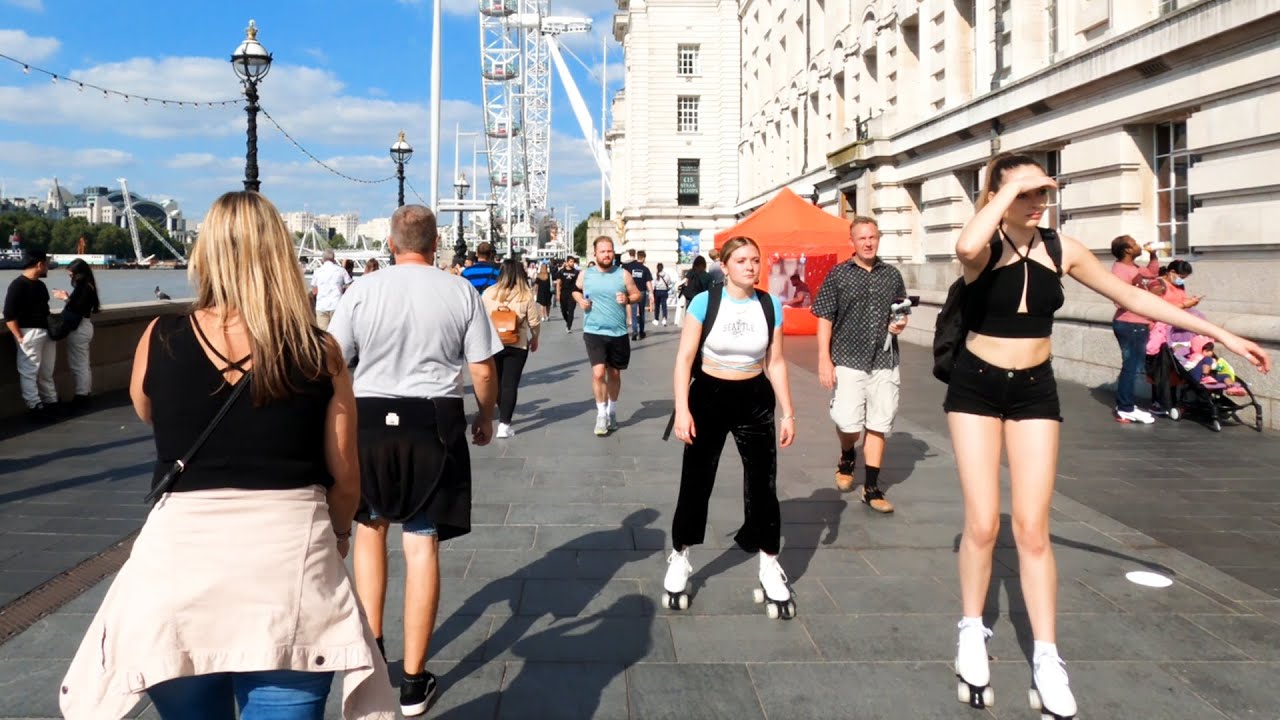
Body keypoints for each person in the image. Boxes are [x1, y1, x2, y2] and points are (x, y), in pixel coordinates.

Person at [945, 153, 1270, 720]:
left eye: (1045, 188)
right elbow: (967, 249)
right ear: (1000, 193)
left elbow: (1137, 299)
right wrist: (1006, 190)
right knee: (982, 522)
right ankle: (972, 629)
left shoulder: (1061, 248)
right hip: (975, 385)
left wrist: (1223, 333)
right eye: (1027, 191)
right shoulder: (987, 244)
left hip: (1034, 389)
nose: (1040, 199)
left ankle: (1047, 655)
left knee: (1032, 528)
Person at [59, 191, 395, 719]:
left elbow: (151, 413)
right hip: (288, 566)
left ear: (206, 253)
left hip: (180, 570)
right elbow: (345, 476)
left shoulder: (161, 335)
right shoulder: (317, 348)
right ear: (280, 253)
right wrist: (339, 534)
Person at [328, 204, 500, 716]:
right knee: (422, 542)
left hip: (370, 417)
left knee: (370, 530)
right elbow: (484, 369)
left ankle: (372, 654)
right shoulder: (459, 290)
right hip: (435, 419)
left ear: (390, 244)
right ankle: (413, 681)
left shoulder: (362, 290)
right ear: (436, 243)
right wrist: (485, 415)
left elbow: (334, 359)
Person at [665, 236, 796, 618]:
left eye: (755, 260)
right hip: (708, 394)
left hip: (754, 398)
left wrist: (788, 412)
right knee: (697, 479)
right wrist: (682, 409)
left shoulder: (770, 305)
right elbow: (684, 358)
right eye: (741, 260)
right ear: (725, 265)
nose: (750, 267)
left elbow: (777, 363)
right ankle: (680, 555)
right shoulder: (707, 301)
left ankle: (769, 563)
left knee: (763, 483)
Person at [812, 216, 908, 515]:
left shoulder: (891, 274)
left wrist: (899, 324)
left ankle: (872, 487)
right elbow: (825, 316)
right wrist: (823, 359)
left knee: (879, 423)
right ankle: (847, 455)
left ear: (878, 239)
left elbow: (900, 309)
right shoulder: (839, 274)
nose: (868, 242)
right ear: (851, 242)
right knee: (848, 422)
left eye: (873, 237)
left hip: (884, 360)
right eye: (862, 238)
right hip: (848, 359)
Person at [573, 237, 641, 436]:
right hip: (594, 330)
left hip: (618, 332)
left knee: (615, 374)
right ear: (595, 254)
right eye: (602, 251)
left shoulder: (623, 274)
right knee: (598, 373)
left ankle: (612, 411)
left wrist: (627, 298)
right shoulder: (586, 274)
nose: (607, 255)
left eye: (609, 251)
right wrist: (579, 300)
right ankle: (601, 414)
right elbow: (575, 291)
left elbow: (637, 294)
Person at [482, 260, 541, 438]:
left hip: (493, 343)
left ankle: (503, 414)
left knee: (497, 382)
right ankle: (504, 424)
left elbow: (480, 317)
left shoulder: (489, 293)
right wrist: (535, 337)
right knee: (510, 384)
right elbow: (534, 321)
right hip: (517, 343)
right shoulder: (525, 294)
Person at [1109, 234, 1161, 423]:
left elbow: (1152, 273)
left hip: (1139, 324)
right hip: (1130, 324)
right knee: (1130, 367)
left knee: (1133, 366)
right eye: (1134, 244)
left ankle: (1126, 405)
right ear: (1127, 250)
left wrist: (1153, 255)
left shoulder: (1133, 268)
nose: (1139, 245)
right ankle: (1125, 408)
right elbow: (1118, 299)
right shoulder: (1120, 271)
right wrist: (1146, 294)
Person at [4, 249, 56, 421]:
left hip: (44, 333)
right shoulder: (17, 285)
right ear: (39, 264)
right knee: (29, 372)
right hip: (29, 333)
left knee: (45, 371)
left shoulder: (39, 285)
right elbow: (9, 315)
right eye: (46, 263)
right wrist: (20, 337)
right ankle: (35, 405)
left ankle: (50, 401)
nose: (48, 267)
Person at [51, 258, 100, 409]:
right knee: (83, 364)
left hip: (79, 329)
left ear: (78, 274)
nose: (70, 277)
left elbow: (77, 308)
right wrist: (68, 297)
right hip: (85, 326)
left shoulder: (84, 287)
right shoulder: (89, 286)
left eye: (71, 274)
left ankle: (81, 396)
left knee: (78, 364)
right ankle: (84, 393)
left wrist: (65, 298)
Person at [311, 248, 351, 331]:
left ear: (323, 259)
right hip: (337, 305)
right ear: (334, 258)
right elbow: (349, 287)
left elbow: (314, 291)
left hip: (321, 306)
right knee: (337, 333)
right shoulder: (341, 270)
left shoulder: (317, 271)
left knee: (323, 334)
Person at [622, 249, 653, 340]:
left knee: (634, 312)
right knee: (642, 312)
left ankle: (635, 331)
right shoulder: (645, 269)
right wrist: (651, 293)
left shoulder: (630, 267)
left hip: (632, 292)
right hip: (642, 292)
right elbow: (648, 282)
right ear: (643, 258)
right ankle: (641, 331)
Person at [555, 255, 581, 333]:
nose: (572, 263)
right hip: (564, 293)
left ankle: (569, 326)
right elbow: (558, 283)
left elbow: (579, 283)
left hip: (573, 293)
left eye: (573, 262)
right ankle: (568, 321)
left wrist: (579, 295)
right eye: (571, 261)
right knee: (563, 310)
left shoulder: (576, 272)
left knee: (571, 310)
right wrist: (558, 294)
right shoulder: (561, 271)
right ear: (566, 262)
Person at [652, 261, 674, 327]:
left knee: (657, 306)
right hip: (664, 291)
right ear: (663, 268)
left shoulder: (654, 275)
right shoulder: (667, 275)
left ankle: (656, 319)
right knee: (664, 306)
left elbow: (653, 284)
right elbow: (669, 283)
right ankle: (664, 318)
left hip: (657, 291)